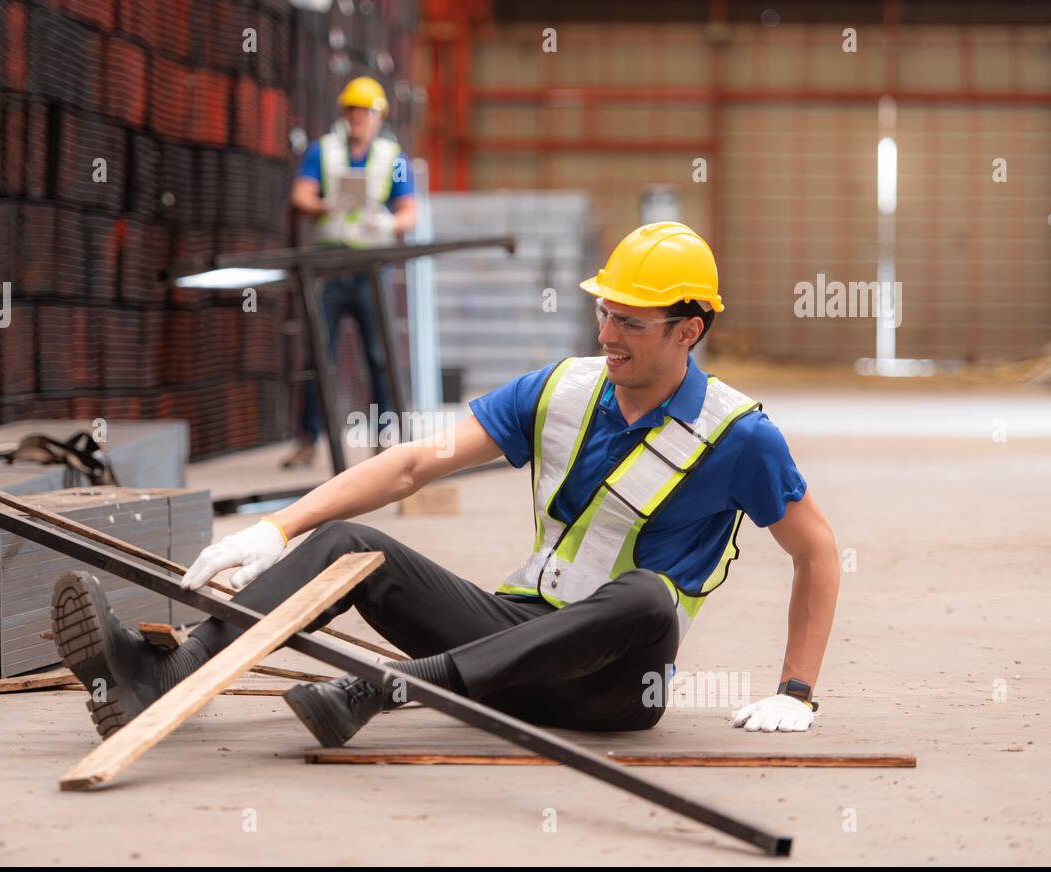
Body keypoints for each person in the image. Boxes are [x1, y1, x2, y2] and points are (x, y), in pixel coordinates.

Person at [51, 222, 840, 746]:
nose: (606, 333)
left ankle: (393, 687)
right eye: (604, 312)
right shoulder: (562, 389)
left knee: (648, 598)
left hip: (612, 684)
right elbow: (412, 464)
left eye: (630, 321)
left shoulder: (740, 436)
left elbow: (817, 554)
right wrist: (276, 529)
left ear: (688, 329)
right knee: (349, 543)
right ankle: (167, 674)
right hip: (508, 638)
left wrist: (796, 690)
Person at [281, 76, 418, 468]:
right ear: (345, 113)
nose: (358, 118)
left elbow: (409, 212)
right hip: (329, 265)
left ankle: (383, 437)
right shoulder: (323, 151)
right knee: (318, 354)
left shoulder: (393, 158)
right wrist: (328, 204)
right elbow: (301, 195)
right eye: (353, 111)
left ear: (378, 116)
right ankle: (308, 438)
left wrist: (386, 224)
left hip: (370, 267)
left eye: (365, 112)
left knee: (378, 354)